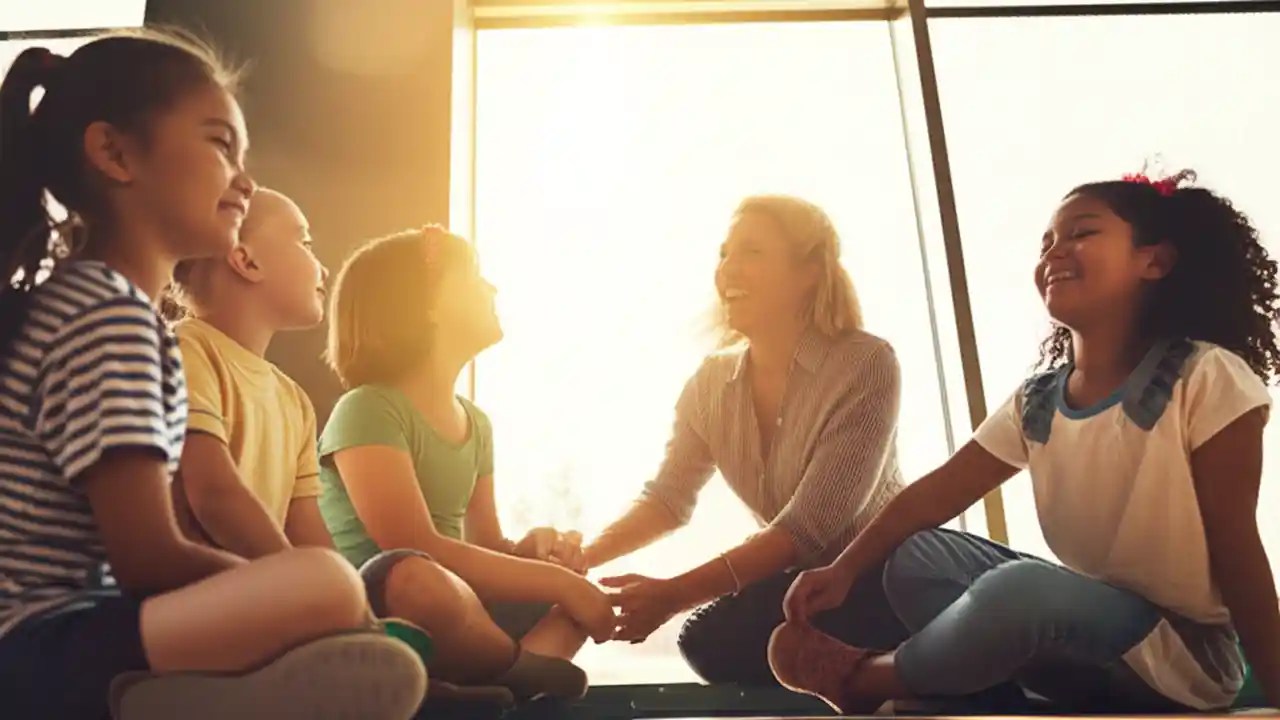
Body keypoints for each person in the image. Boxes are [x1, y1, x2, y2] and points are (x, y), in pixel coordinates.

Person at [0, 33, 425, 720]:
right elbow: (146, 556)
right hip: (43, 649)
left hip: (71, 636)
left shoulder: (111, 312)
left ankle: (223, 686)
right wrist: (291, 595)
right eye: (220, 144)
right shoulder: (106, 315)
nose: (245, 178)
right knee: (323, 584)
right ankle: (185, 699)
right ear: (114, 152)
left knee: (319, 586)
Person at [772, 170, 1280, 714]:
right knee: (917, 557)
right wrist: (844, 568)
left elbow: (1237, 547)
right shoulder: (1037, 401)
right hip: (1083, 638)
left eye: (1082, 233)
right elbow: (931, 498)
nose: (1056, 251)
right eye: (1047, 242)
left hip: (1184, 658)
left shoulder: (1206, 377)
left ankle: (868, 679)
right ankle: (984, 695)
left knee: (1024, 591)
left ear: (1153, 262)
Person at [578, 194, 910, 684]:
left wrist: (671, 595)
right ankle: (859, 676)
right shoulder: (710, 384)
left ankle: (897, 667)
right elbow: (667, 500)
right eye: (724, 253)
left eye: (751, 252)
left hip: (882, 580)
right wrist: (582, 561)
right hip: (802, 591)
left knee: (718, 637)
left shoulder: (866, 363)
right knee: (708, 642)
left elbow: (806, 529)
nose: (728, 268)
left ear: (809, 273)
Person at [320, 225, 616, 701]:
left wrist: (532, 554)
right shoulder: (367, 408)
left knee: (571, 594)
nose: (492, 288)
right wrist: (557, 581)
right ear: (428, 306)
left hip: (457, 611)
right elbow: (413, 542)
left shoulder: (476, 423)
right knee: (414, 576)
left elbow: (486, 545)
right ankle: (514, 674)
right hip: (381, 610)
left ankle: (489, 688)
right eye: (476, 276)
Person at [167, 188, 333, 557]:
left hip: (265, 588)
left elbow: (306, 529)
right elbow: (212, 494)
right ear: (246, 260)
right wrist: (299, 579)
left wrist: (353, 605)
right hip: (203, 591)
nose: (323, 268)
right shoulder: (186, 351)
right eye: (304, 242)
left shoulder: (294, 401)